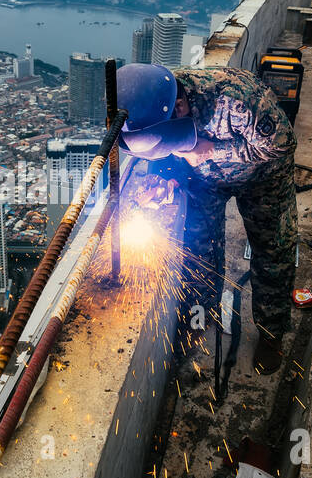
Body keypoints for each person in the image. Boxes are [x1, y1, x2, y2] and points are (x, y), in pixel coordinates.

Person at [117, 62, 297, 374]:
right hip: (206, 180)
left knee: (273, 253)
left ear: (181, 106)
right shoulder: (151, 102)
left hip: (263, 177)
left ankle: (271, 334)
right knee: (200, 248)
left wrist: (214, 150)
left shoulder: (235, 98)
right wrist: (164, 181)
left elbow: (282, 144)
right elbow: (162, 150)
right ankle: (201, 314)